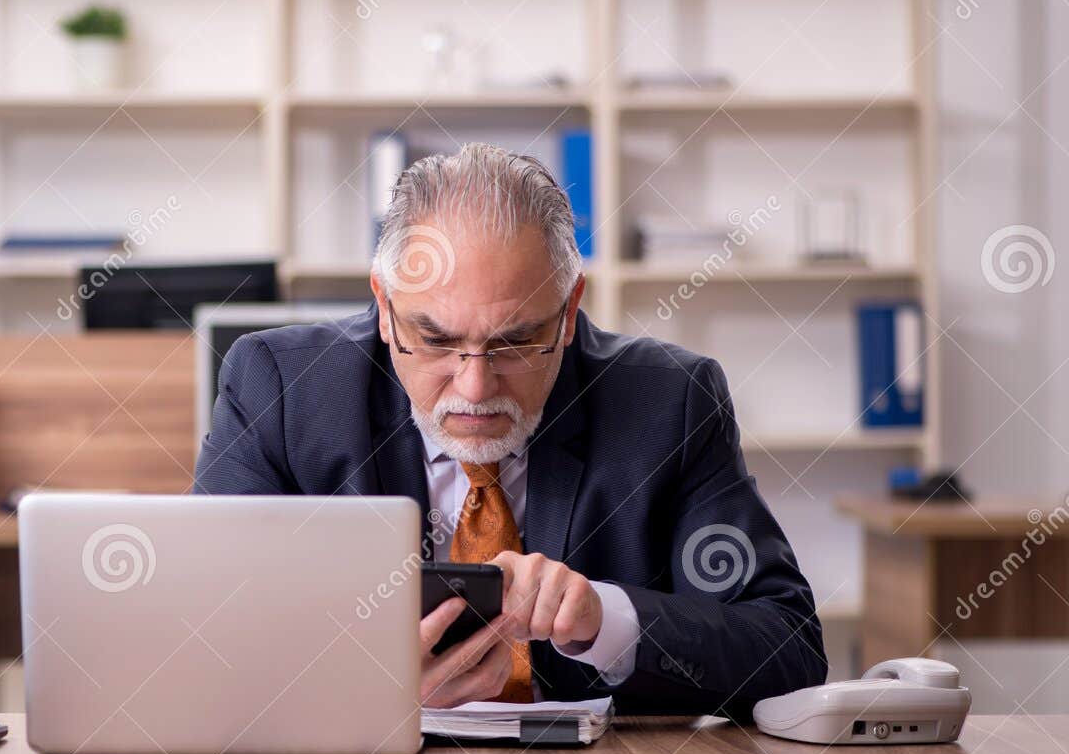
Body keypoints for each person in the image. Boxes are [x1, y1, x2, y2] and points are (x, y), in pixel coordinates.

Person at [194, 142, 825, 717]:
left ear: (570, 310)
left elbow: (787, 649)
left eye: (516, 342)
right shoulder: (282, 390)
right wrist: (363, 684)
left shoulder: (669, 403)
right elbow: (198, 635)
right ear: (384, 309)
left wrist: (603, 620)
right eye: (435, 340)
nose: (474, 389)